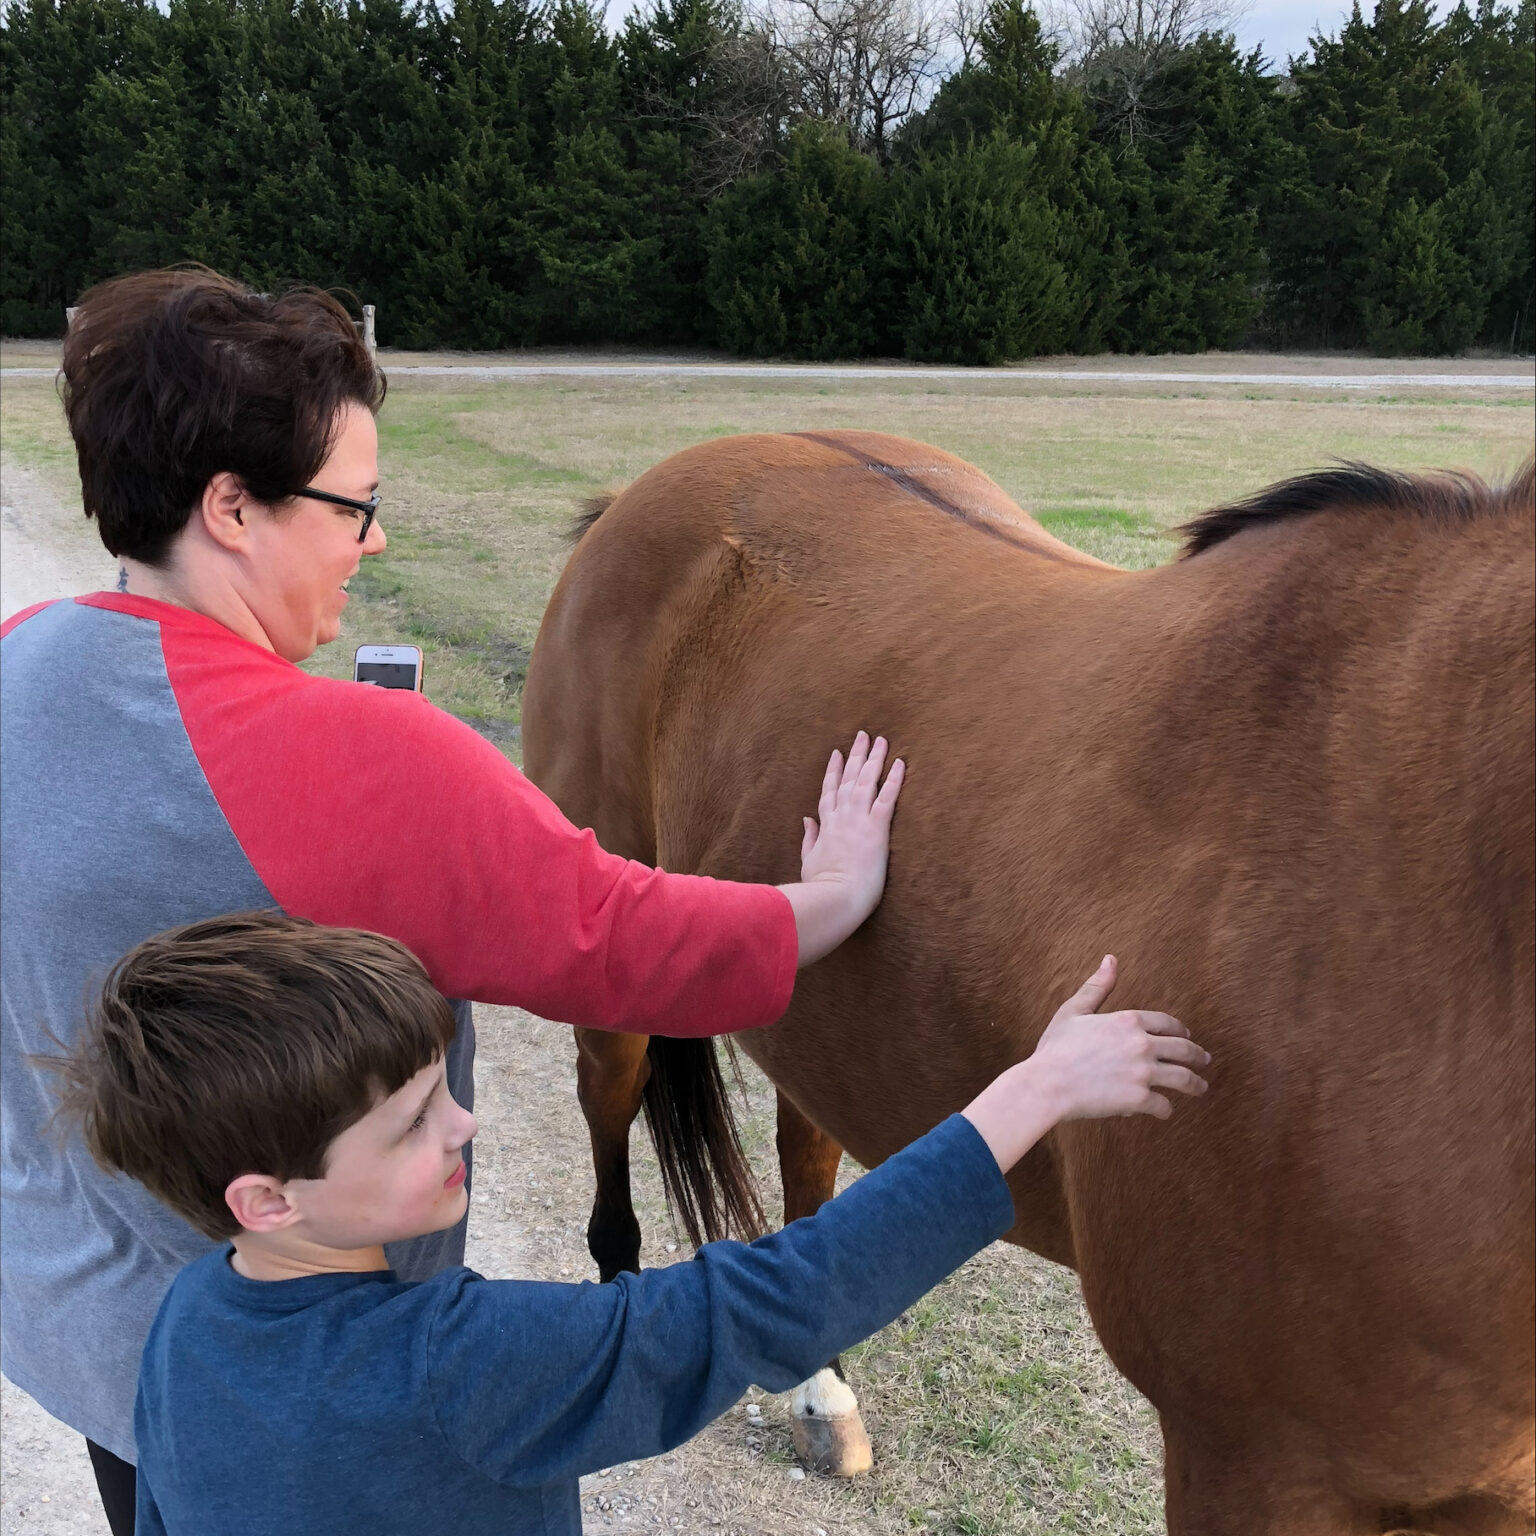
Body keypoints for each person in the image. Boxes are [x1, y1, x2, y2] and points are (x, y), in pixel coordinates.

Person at [0, 266, 904, 1534]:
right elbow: (624, 939)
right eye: (352, 507)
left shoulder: (21, 656)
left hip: (100, 1353)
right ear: (232, 509)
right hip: (342, 1396)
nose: (374, 540)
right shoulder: (356, 758)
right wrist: (830, 897)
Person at [47, 911, 1211, 1535]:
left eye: (445, 1084)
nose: (464, 1123)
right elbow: (775, 1299)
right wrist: (1034, 1092)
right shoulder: (454, 1367)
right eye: (410, 1125)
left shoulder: (188, 1318)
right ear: (268, 1197)